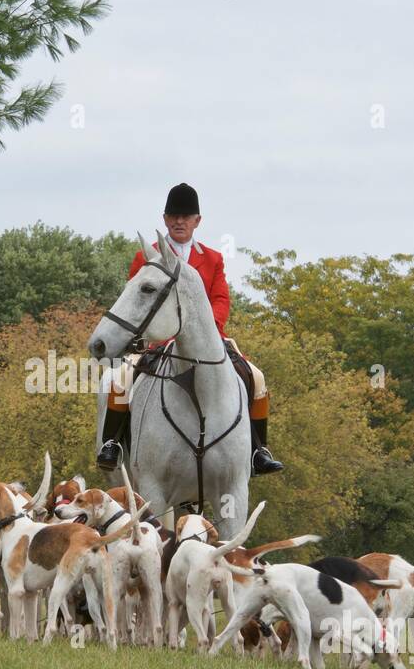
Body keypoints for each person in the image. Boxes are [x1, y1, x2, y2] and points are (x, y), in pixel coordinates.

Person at [97, 182, 284, 476]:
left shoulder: (212, 258)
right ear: (164, 219)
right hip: (158, 342)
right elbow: (135, 302)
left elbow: (220, 299)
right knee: (120, 378)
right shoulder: (147, 256)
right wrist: (161, 334)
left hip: (207, 341)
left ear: (198, 221)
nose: (179, 221)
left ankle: (258, 451)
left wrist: (207, 328)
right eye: (173, 216)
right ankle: (112, 444)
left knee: (257, 379)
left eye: (186, 216)